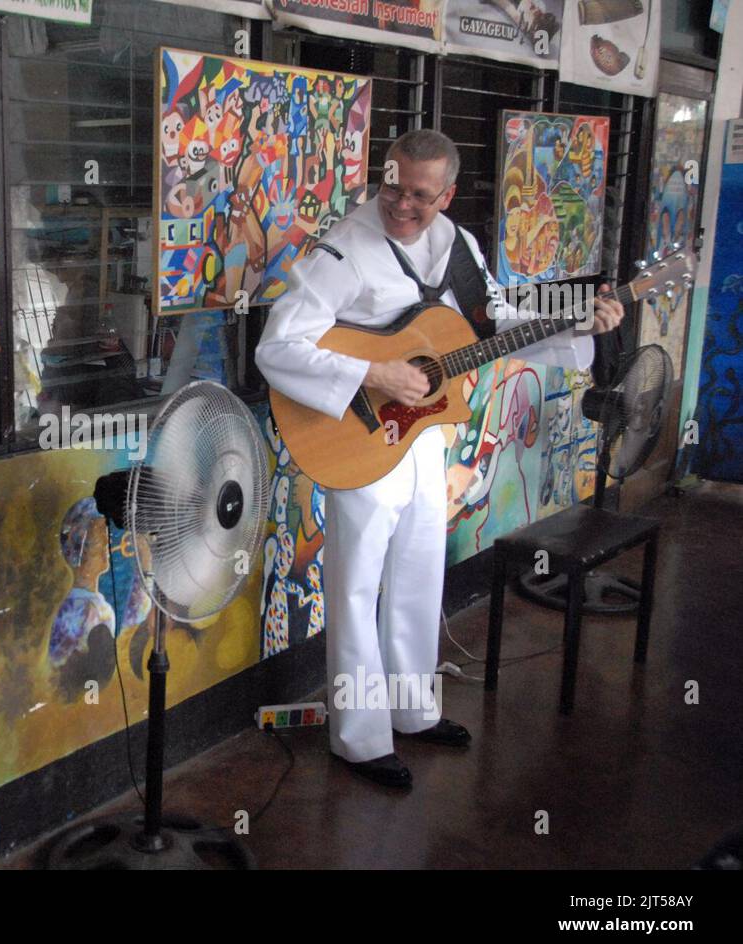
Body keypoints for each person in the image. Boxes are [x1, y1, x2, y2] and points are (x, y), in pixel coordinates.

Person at [255, 129, 623, 789]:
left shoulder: (458, 245)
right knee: (357, 584)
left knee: (422, 572)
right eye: (392, 185)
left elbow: (490, 320)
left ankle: (415, 710)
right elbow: (278, 347)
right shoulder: (342, 249)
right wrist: (374, 373)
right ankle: (359, 736)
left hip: (424, 435)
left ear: (447, 193)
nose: (400, 203)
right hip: (357, 435)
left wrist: (573, 323)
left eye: (420, 196)